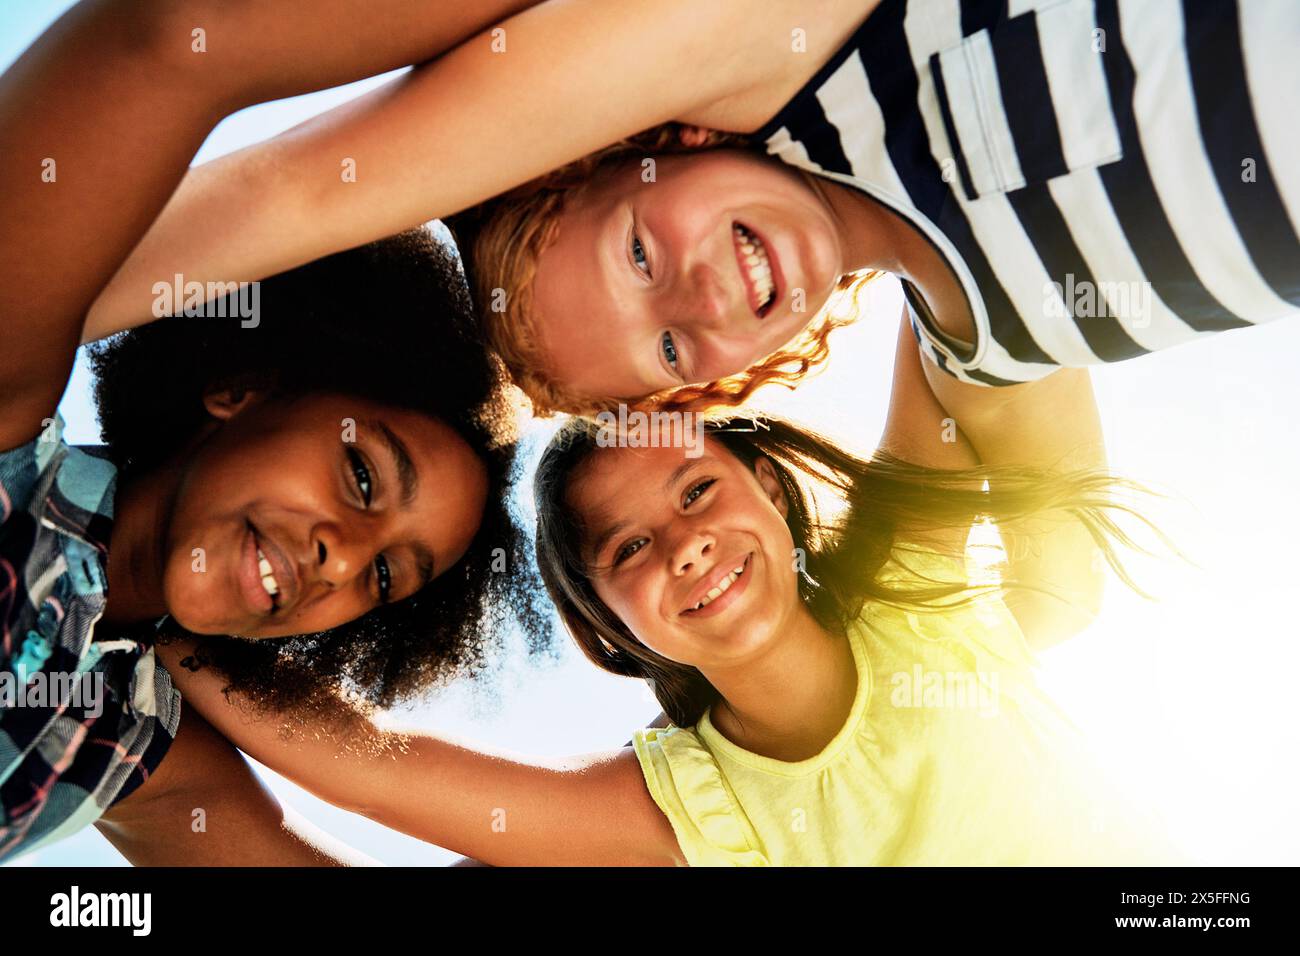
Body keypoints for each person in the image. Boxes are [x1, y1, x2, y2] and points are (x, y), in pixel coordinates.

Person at [158, 315, 1188, 865]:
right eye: (628, 547)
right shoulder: (698, 805)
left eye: (697, 488)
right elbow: (377, 769)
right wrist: (166, 631)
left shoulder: (902, 586)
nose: (686, 545)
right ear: (613, 630)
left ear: (773, 493)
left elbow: (956, 304)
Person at [84, 0, 1299, 414]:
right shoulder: (996, 346)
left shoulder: (783, 50)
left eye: (633, 250)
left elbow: (297, 188)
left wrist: (39, 313)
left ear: (655, 142)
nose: (703, 296)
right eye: (669, 349)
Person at [0, 0, 545, 863]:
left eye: (386, 576)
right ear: (240, 387)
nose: (344, 557)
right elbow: (164, 40)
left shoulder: (123, 743)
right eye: (364, 478)